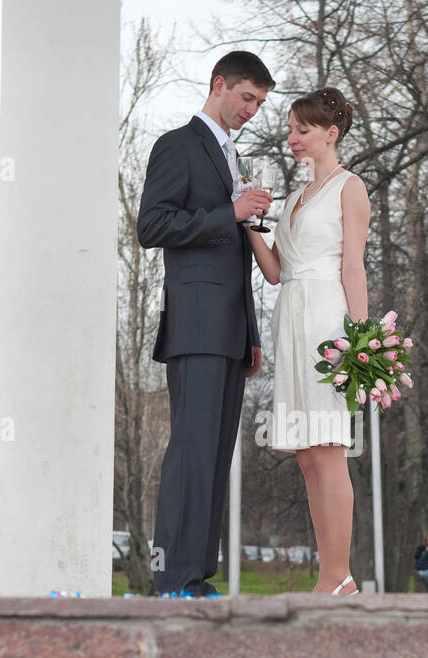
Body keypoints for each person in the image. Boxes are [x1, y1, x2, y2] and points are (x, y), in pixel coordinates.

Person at [137, 51, 277, 597]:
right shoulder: (177, 145)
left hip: (229, 329)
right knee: (191, 451)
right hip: (194, 324)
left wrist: (251, 334)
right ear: (219, 85)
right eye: (247, 98)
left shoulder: (232, 156)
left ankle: (195, 577)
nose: (252, 110)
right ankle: (170, 579)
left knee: (216, 455)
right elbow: (152, 225)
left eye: (261, 103)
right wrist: (232, 213)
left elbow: (236, 251)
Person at [247, 87, 368, 595]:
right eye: (292, 129)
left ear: (330, 134)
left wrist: (362, 345)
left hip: (327, 320)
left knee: (330, 446)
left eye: (303, 130)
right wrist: (253, 222)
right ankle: (330, 574)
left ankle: (340, 576)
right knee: (305, 452)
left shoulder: (350, 187)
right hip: (290, 316)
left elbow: (353, 266)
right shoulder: (293, 198)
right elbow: (275, 272)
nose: (292, 138)